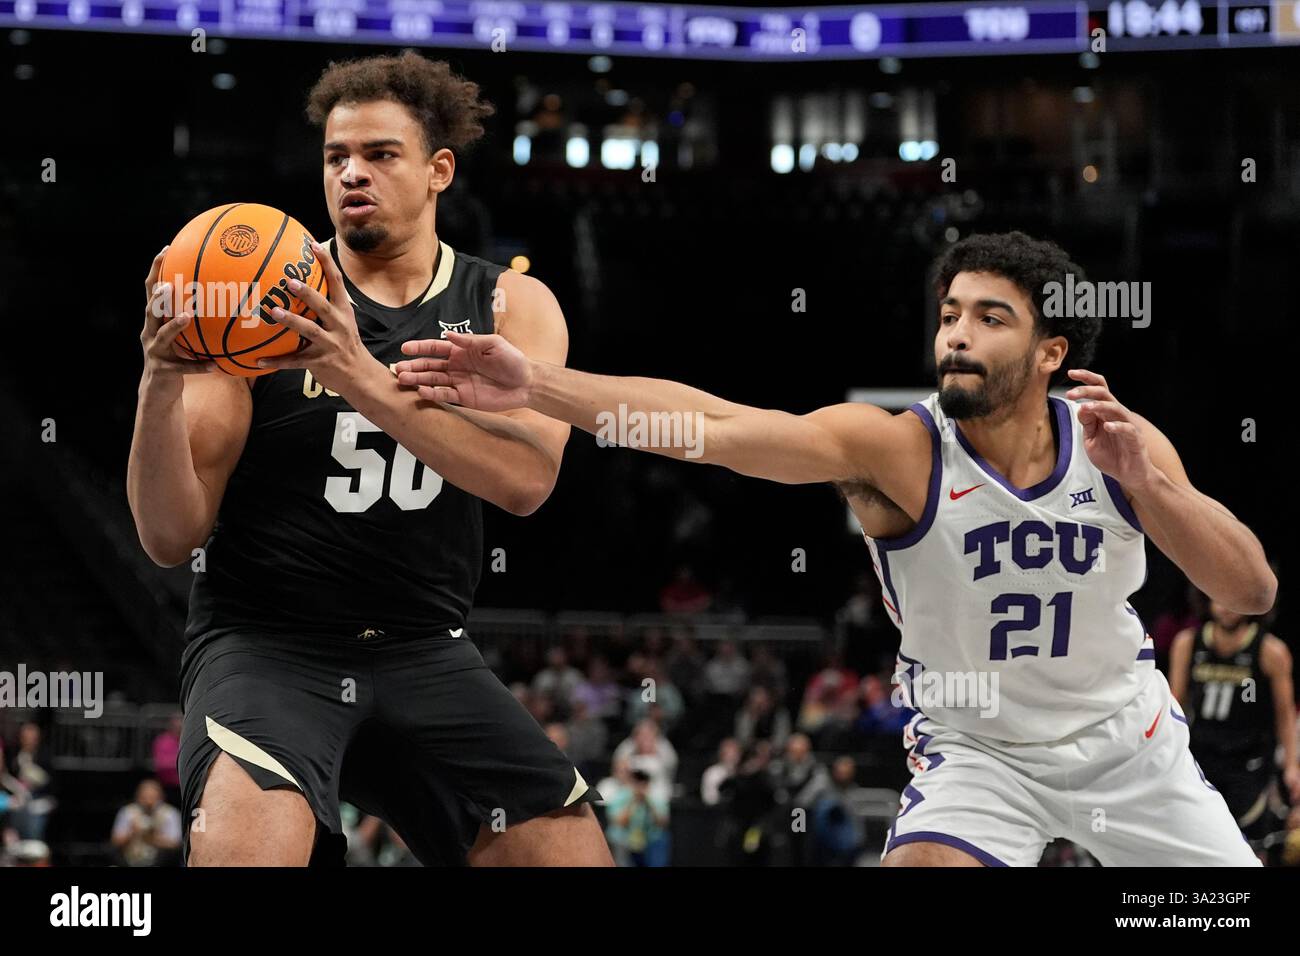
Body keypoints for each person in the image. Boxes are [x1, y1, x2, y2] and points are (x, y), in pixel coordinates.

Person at [394, 230, 1276, 866]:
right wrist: (539, 384)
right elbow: (720, 427)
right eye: (949, 316)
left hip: (1127, 745)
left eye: (989, 319)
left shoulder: (1119, 443)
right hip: (979, 754)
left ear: (1050, 351)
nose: (956, 336)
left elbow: (1250, 589)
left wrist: (1154, 487)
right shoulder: (899, 448)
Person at [127, 51, 608, 866]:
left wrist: (360, 375)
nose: (352, 173)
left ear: (437, 171)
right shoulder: (252, 305)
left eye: (381, 155)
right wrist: (158, 385)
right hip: (266, 645)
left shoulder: (508, 305)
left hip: (425, 644)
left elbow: (525, 481)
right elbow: (171, 537)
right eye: (336, 157)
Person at [1170, 597, 1298, 846]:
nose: (1225, 606)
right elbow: (1175, 706)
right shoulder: (1187, 643)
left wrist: (1291, 765)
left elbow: (1285, 714)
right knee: (1198, 839)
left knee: (1248, 843)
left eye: (1230, 599)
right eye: (1217, 598)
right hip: (1201, 756)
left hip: (1249, 761)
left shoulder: (1270, 651)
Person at [111, 779, 183, 867]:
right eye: (145, 797)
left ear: (161, 797)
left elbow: (176, 844)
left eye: (152, 797)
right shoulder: (128, 812)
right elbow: (115, 841)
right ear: (138, 797)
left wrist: (153, 837)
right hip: (130, 860)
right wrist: (133, 832)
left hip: (161, 861)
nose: (149, 801)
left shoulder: (170, 813)